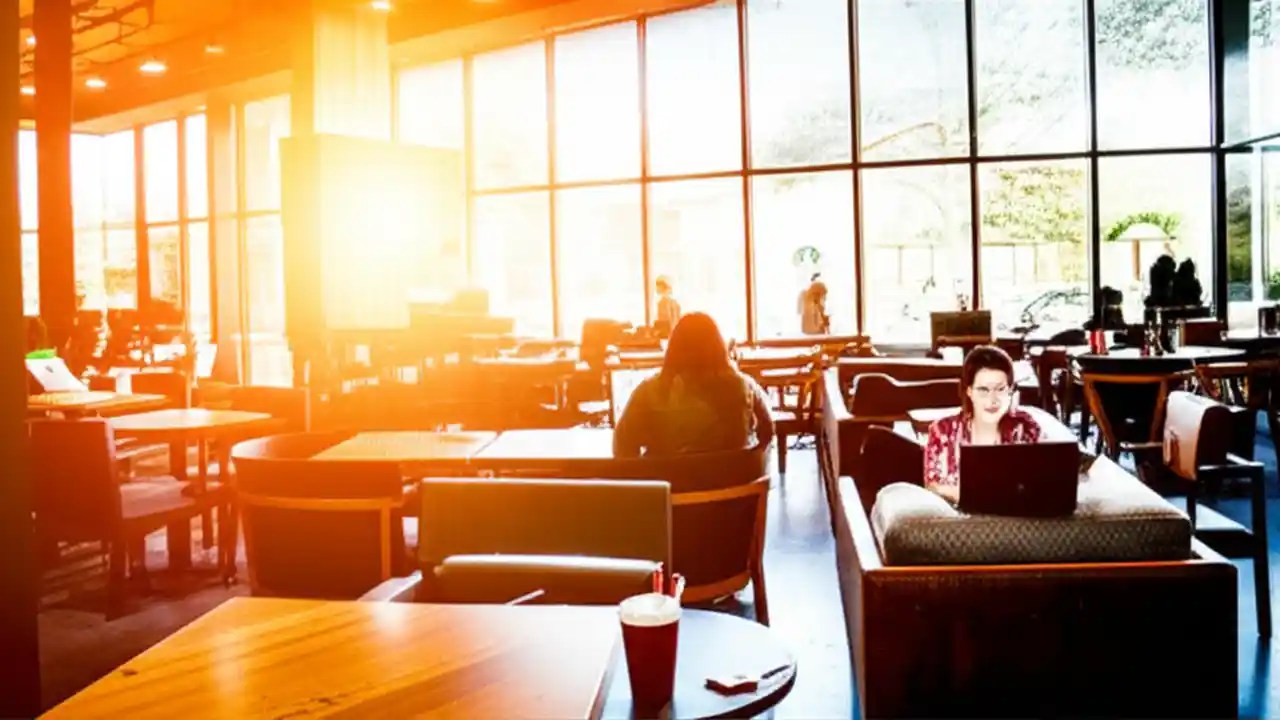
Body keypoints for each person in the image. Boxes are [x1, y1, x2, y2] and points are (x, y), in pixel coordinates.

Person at [614, 312, 774, 457]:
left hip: (668, 479)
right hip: (733, 478)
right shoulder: (744, 386)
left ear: (673, 348)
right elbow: (767, 431)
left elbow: (622, 444)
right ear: (719, 347)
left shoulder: (649, 391)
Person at [923, 345, 1042, 502]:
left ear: (1011, 390)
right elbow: (932, 485)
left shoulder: (1025, 428)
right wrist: (978, 497)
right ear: (969, 391)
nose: (992, 400)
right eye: (983, 390)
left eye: (1000, 389)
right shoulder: (943, 431)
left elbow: (1037, 482)